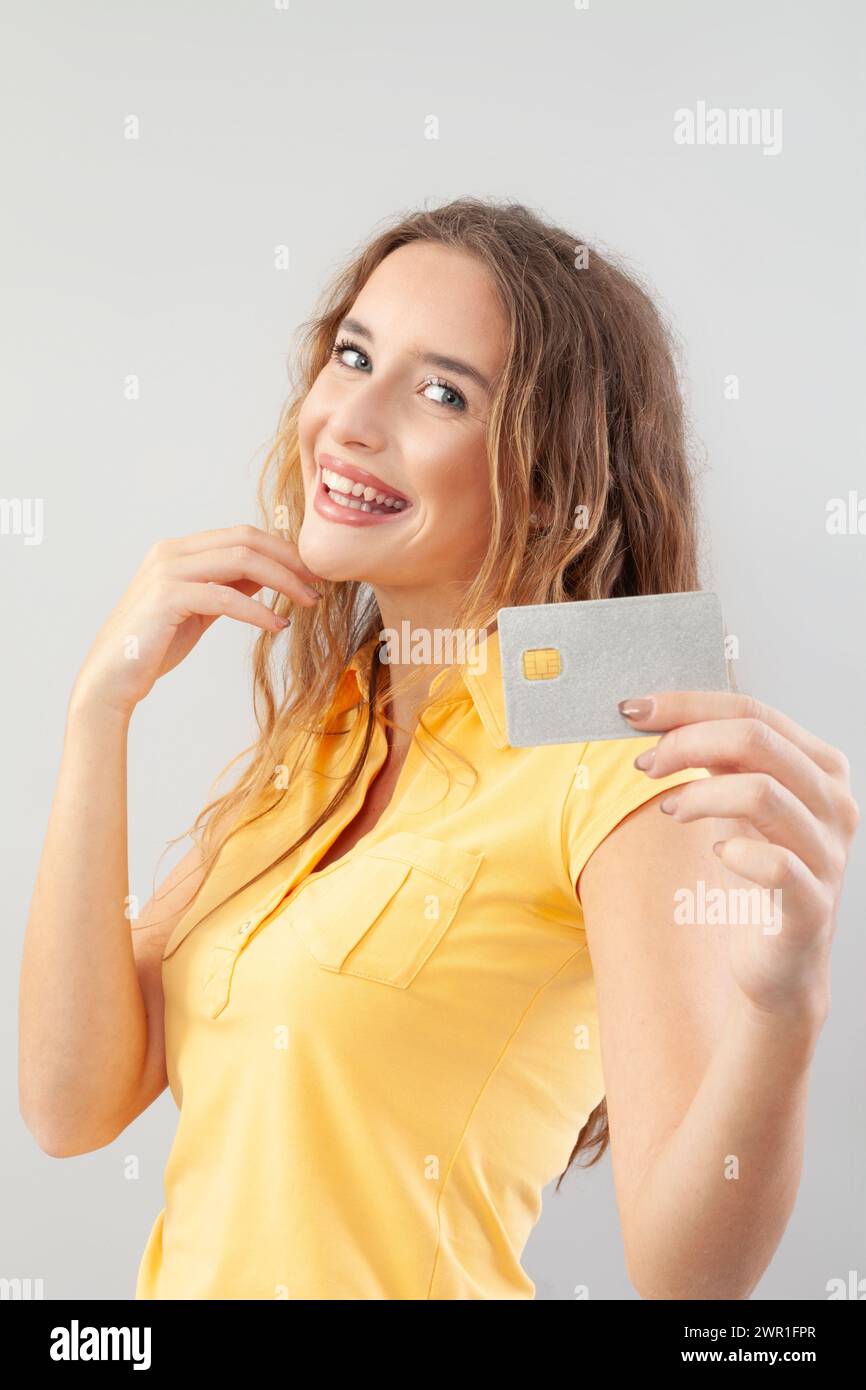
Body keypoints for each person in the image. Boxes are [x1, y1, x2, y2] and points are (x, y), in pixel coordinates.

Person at [19, 197, 859, 1301]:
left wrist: (782, 1007)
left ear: (555, 481)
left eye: (440, 392)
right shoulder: (333, 723)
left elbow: (687, 1279)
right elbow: (72, 1104)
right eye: (352, 355)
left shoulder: (625, 745)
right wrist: (97, 717)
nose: (350, 421)